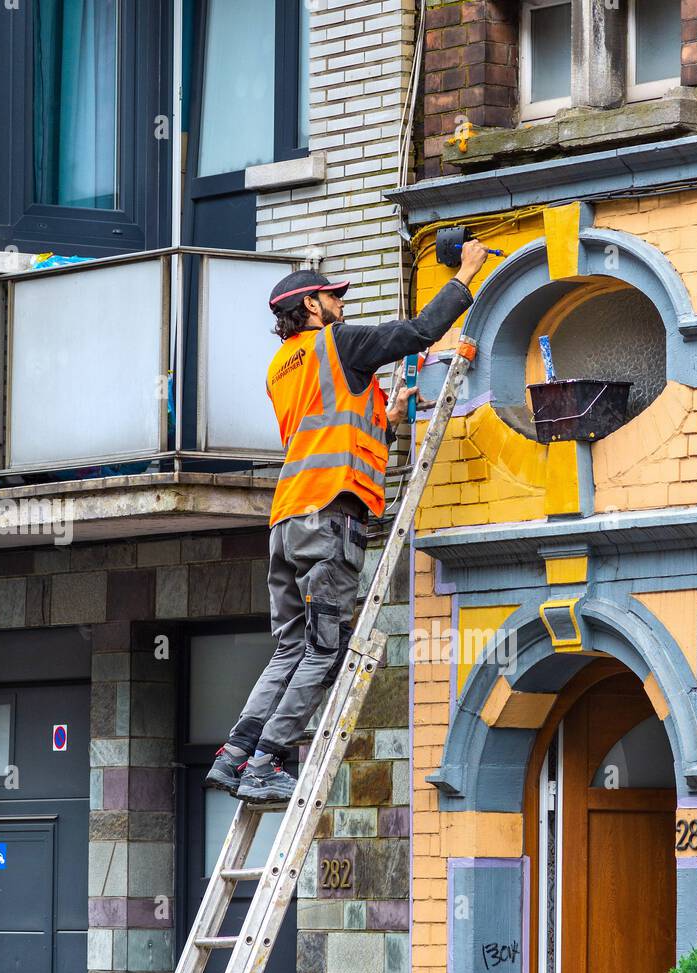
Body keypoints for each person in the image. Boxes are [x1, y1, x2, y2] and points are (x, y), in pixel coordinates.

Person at [205, 239, 489, 806]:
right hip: (329, 517)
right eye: (332, 298)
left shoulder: (281, 367)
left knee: (289, 649)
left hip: (286, 520)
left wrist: (387, 410)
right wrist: (465, 275)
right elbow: (417, 332)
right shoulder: (336, 342)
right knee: (324, 649)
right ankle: (267, 762)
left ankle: (235, 754)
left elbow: (333, 425)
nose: (341, 305)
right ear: (311, 307)